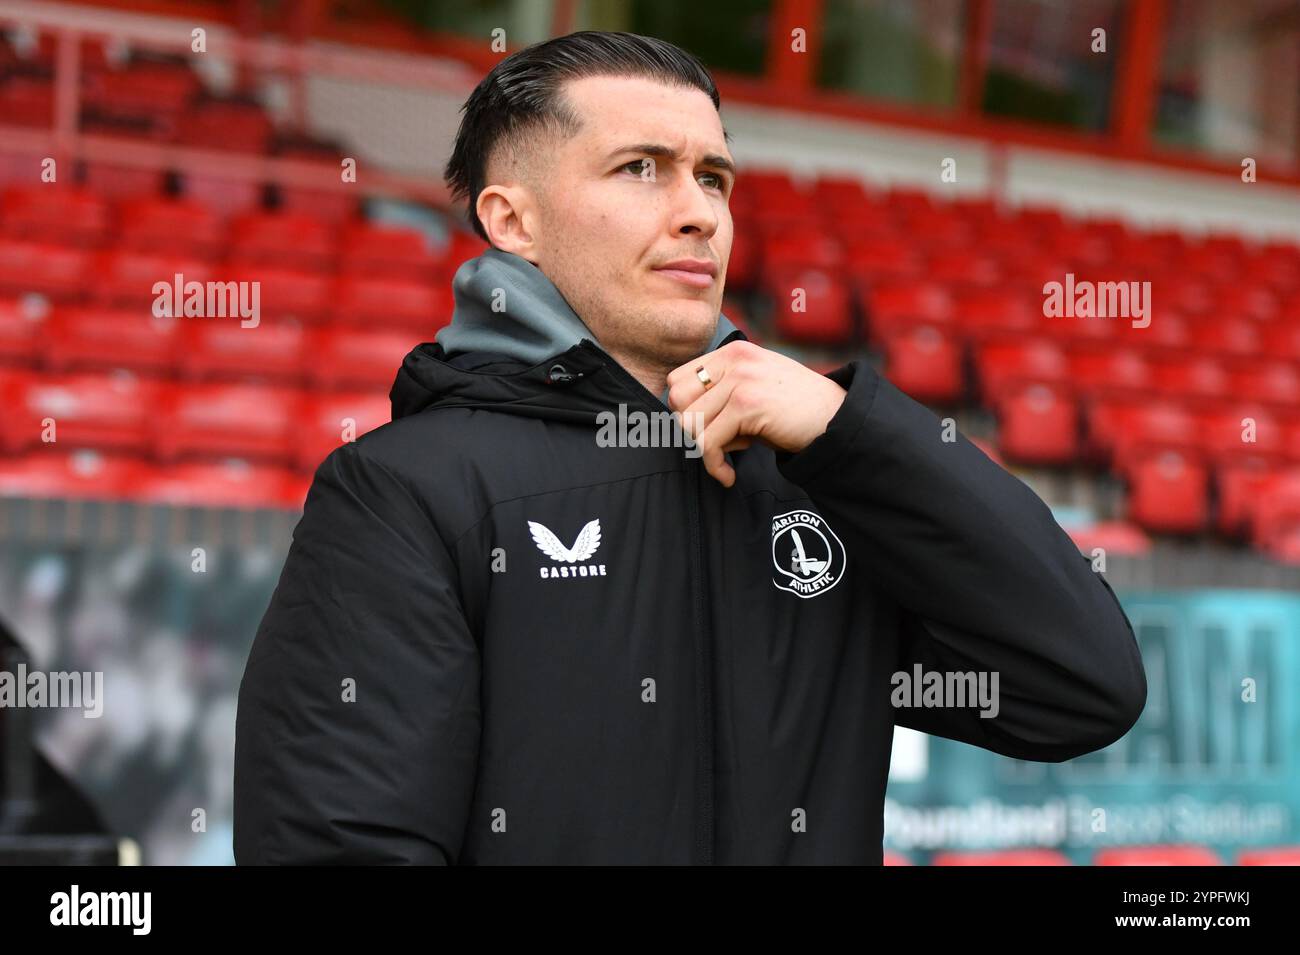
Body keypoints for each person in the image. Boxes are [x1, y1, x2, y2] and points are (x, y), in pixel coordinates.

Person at [233, 30, 1146, 865]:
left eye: (714, 178)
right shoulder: (408, 490)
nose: (699, 213)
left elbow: (1082, 685)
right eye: (640, 169)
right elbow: (338, 847)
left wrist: (852, 432)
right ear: (512, 220)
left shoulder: (819, 479)